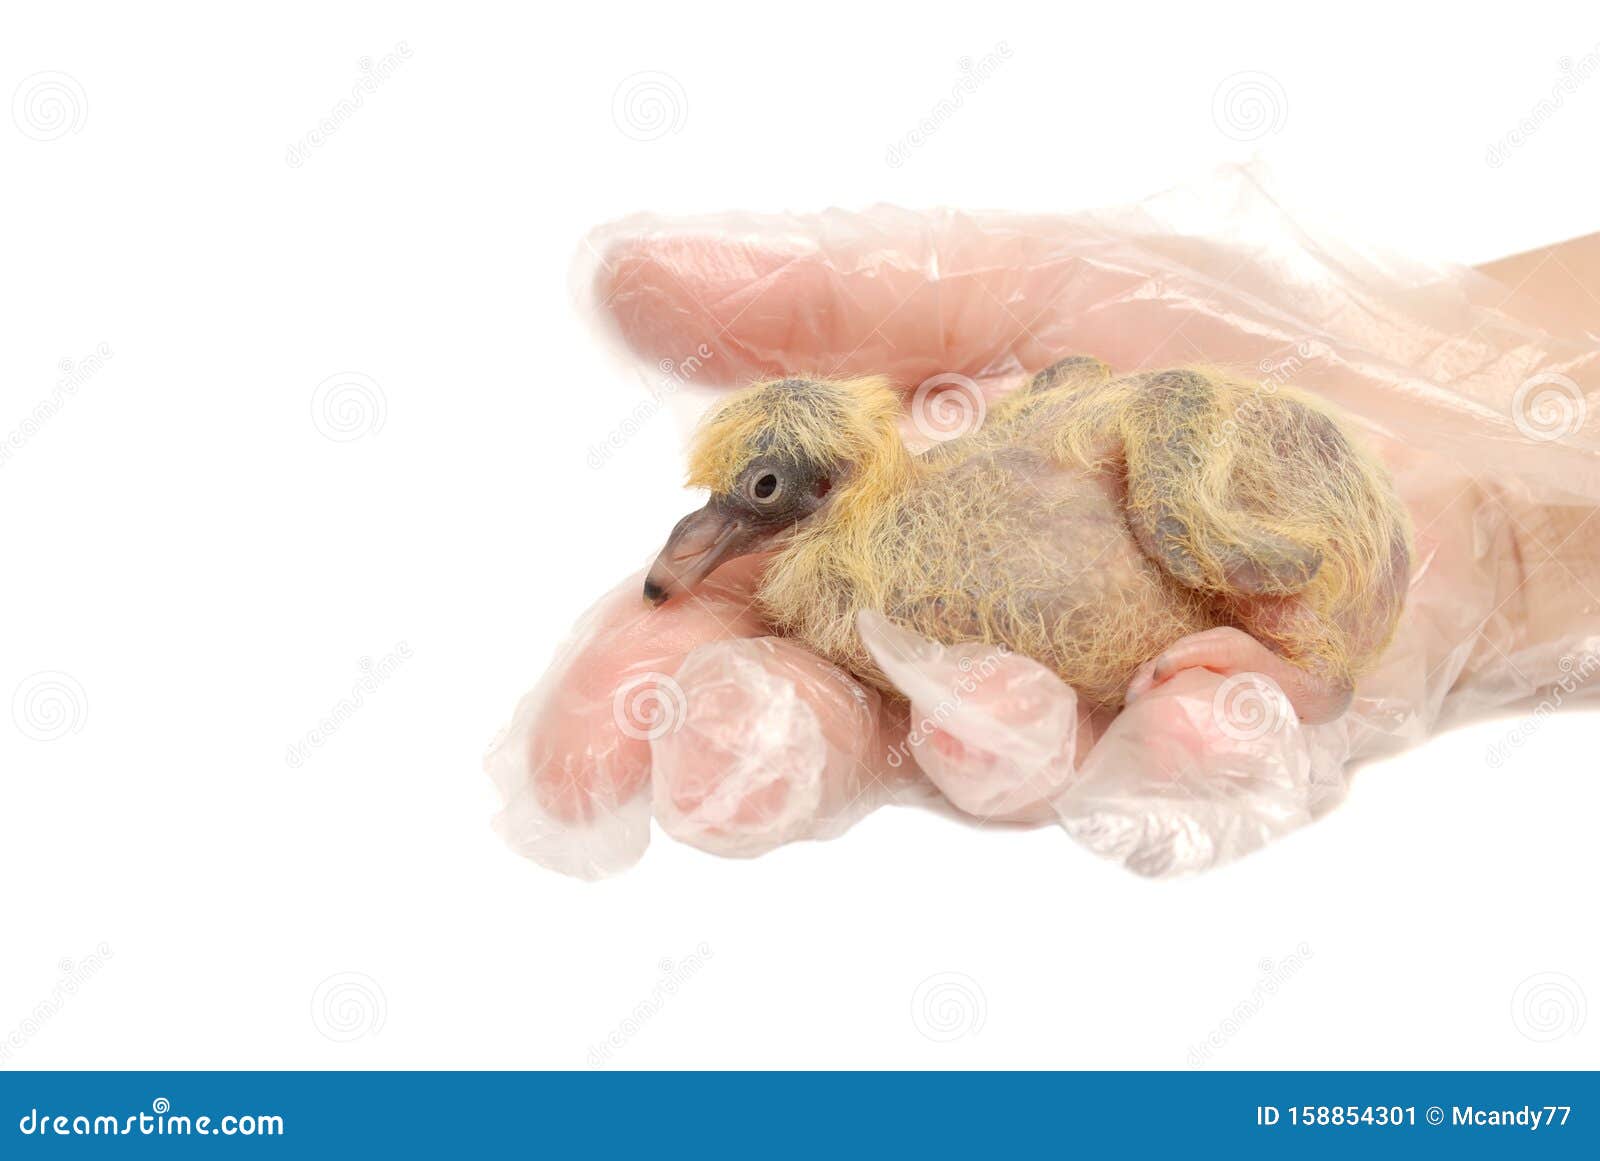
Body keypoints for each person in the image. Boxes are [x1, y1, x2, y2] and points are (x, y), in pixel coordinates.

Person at [487, 191, 1600, 878]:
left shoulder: (978, 471)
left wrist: (1207, 524)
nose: (717, 534)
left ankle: (1278, 625)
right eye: (738, 500)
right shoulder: (887, 548)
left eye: (759, 490)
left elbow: (1151, 403)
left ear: (820, 471)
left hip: (1243, 476)